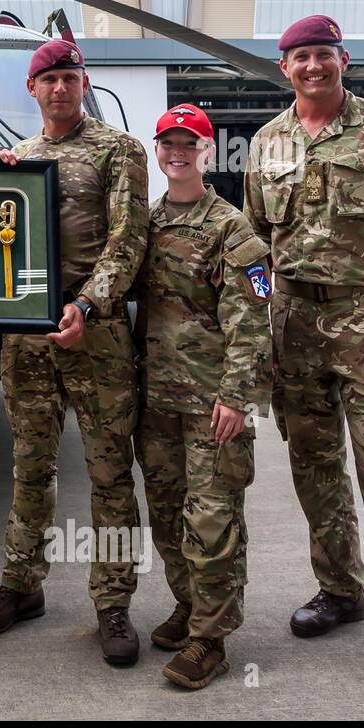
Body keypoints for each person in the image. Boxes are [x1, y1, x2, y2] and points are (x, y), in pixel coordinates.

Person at [245, 14, 364, 689]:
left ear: (343, 59)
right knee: (315, 468)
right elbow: (256, 247)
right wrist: (260, 315)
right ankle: (340, 591)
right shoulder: (267, 142)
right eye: (300, 58)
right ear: (284, 66)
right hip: (294, 328)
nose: (313, 67)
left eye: (323, 55)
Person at [0, 38, 149, 667]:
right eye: (49, 79)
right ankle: (21, 587)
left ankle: (114, 601)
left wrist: (89, 306)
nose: (60, 88)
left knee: (109, 474)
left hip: (95, 334)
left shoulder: (117, 149)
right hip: (27, 338)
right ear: (32, 88)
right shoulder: (16, 158)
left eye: (70, 77)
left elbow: (128, 242)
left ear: (84, 81)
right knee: (30, 465)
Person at [133, 104, 272, 689]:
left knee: (212, 518)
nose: (177, 152)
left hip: (214, 402)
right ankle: (189, 605)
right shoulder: (145, 222)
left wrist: (238, 398)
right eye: (168, 143)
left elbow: (252, 319)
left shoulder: (232, 229)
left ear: (208, 152)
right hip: (158, 401)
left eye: (189, 143)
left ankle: (210, 639)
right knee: (167, 515)